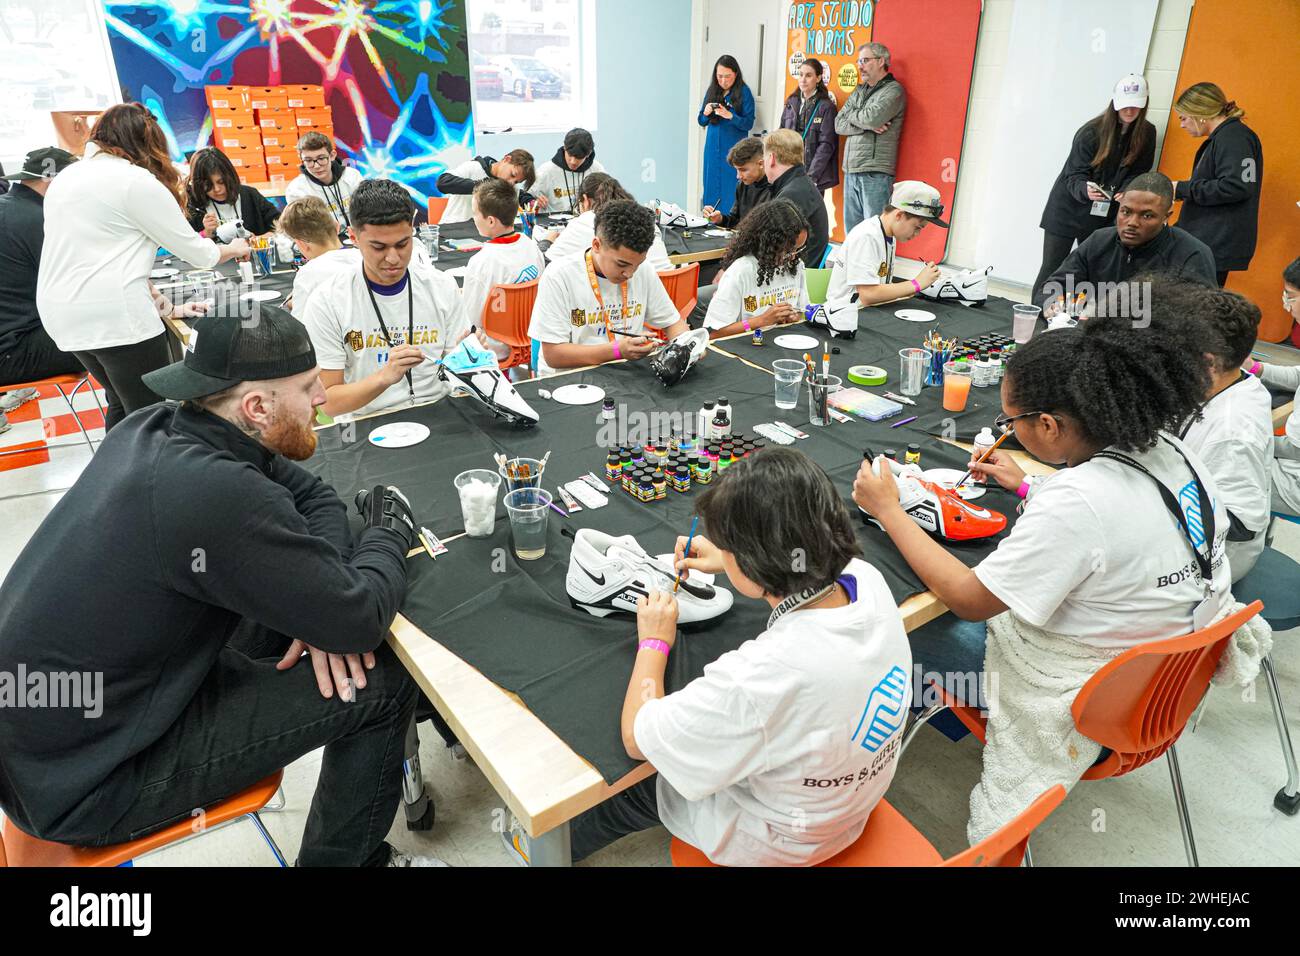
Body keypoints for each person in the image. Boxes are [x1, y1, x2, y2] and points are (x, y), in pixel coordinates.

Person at [0, 303, 443, 867]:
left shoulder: (156, 424)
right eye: (308, 388)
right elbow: (359, 617)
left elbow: (314, 495)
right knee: (383, 682)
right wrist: (389, 529)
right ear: (257, 406)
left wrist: (320, 600)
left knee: (327, 623)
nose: (323, 399)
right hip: (87, 782)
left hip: (64, 725)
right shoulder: (216, 492)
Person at [850, 303, 1258, 845]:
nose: (1006, 431)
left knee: (893, 621)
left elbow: (971, 600)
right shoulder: (1172, 448)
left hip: (1093, 696)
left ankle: (848, 772)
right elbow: (1120, 520)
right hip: (1166, 680)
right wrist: (1026, 486)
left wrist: (890, 511)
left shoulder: (1080, 501)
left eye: (1010, 422)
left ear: (1047, 425)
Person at [563, 447, 912, 865]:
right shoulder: (866, 580)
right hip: (848, 809)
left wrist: (654, 641)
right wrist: (732, 562)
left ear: (753, 562)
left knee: (623, 790)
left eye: (729, 549)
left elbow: (637, 737)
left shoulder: (760, 677)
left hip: (781, 843)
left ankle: (536, 851)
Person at [37, 103, 251, 431]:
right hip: (114, 317)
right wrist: (234, 248)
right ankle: (157, 479)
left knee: (124, 405)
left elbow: (106, 261)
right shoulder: (135, 181)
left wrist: (169, 307)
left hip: (63, 316)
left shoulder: (68, 177)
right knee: (154, 417)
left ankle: (118, 478)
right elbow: (199, 254)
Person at [302, 179, 467, 417]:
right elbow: (328, 402)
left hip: (438, 412)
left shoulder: (441, 286)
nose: (393, 258)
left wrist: (472, 361)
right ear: (353, 237)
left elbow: (457, 371)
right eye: (378, 247)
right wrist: (384, 378)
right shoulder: (328, 301)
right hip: (367, 420)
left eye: (403, 244)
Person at [1168, 278, 1272, 581]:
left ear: (1207, 362)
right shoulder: (1234, 381)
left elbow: (1241, 523)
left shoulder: (1232, 430)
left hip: (1213, 561)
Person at [528, 199, 687, 376]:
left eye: (637, 264)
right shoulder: (559, 275)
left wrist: (687, 345)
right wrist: (616, 351)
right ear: (596, 245)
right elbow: (554, 355)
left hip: (624, 373)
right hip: (569, 378)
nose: (630, 273)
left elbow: (673, 323)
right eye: (622, 264)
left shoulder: (644, 270)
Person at [1033, 74, 1158, 296]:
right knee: (1052, 267)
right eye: (1125, 106)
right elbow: (1074, 174)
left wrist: (1126, 191)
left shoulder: (1147, 133)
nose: (1129, 111)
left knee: (1093, 268)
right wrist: (1085, 189)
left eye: (1135, 106)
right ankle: (1037, 312)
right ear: (1115, 103)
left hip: (1101, 212)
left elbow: (1140, 171)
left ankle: (1076, 316)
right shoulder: (1091, 131)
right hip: (1067, 208)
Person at [1037, 172, 1216, 313]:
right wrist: (1052, 306)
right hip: (1095, 335)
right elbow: (1053, 287)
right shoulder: (1099, 240)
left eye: (1147, 215)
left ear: (1166, 217)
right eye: (1126, 212)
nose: (1132, 222)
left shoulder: (1192, 254)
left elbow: (1201, 319)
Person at [0, 147, 83, 434]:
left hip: (13, 341)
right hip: (14, 352)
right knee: (117, 335)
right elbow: (75, 281)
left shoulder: (9, 208)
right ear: (53, 181)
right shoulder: (39, 220)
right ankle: (145, 426)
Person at [1171, 83, 1263, 286]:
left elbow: (1237, 186)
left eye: (1184, 118)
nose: (1182, 125)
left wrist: (1182, 189)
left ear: (1199, 113)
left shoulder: (1234, 137)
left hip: (1214, 243)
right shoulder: (1227, 137)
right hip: (1208, 241)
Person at [824, 180, 945, 312]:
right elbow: (868, 294)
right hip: (845, 313)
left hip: (866, 310)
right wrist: (916, 284)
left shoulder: (888, 235)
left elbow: (880, 285)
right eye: (917, 227)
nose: (917, 234)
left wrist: (907, 289)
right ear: (899, 215)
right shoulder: (867, 236)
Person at [463, 177, 546, 364]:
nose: (473, 218)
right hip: (532, 338)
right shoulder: (532, 246)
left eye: (475, 213)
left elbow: (470, 319)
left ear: (491, 221)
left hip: (496, 349)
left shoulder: (481, 262)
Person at [702, 199, 809, 340]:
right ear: (769, 242)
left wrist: (795, 317)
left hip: (781, 342)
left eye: (798, 249)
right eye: (788, 250)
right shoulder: (741, 271)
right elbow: (713, 333)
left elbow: (803, 311)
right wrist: (761, 321)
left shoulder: (795, 265)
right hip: (745, 347)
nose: (793, 256)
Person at [835, 43, 906, 235]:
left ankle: (875, 267)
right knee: (854, 235)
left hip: (875, 173)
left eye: (865, 60)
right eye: (859, 61)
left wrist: (863, 119)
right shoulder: (859, 91)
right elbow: (838, 123)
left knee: (875, 234)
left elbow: (871, 118)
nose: (860, 66)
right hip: (851, 170)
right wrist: (866, 124)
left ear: (881, 61)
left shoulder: (894, 91)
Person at [543, 172, 671, 270]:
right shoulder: (644, 216)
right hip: (674, 291)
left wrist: (547, 241)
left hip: (643, 295)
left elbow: (546, 263)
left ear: (585, 200)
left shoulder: (587, 221)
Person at [1254, 256, 1300, 521]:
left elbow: (1295, 450)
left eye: (1291, 296)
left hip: (1293, 486)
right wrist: (1258, 369)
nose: (1287, 305)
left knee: (1203, 462)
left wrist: (1250, 441)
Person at [277, 196, 361, 316]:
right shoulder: (362, 257)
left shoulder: (308, 273)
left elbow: (300, 324)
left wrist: (293, 304)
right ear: (337, 227)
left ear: (301, 244)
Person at [697, 55, 755, 218]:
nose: (723, 80)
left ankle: (731, 222)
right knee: (710, 186)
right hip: (712, 150)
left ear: (735, 74)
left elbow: (748, 123)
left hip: (733, 150)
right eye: (719, 76)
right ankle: (709, 220)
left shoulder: (744, 92)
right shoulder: (712, 90)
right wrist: (706, 113)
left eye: (727, 76)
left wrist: (731, 116)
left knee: (731, 187)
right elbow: (701, 121)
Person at [763, 129, 829, 269]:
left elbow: (770, 249)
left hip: (797, 279)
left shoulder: (792, 194)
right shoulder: (801, 184)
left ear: (772, 158)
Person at [184, 146, 281, 239]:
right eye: (208, 185)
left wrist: (257, 240)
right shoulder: (193, 206)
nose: (217, 189)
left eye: (221, 182)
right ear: (198, 184)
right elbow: (185, 244)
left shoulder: (250, 196)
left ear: (230, 177)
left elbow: (281, 227)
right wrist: (206, 233)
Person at [779, 58, 839, 195]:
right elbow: (781, 135)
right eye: (801, 75)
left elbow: (826, 145)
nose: (803, 79)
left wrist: (811, 176)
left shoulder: (827, 107)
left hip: (812, 175)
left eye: (808, 75)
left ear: (818, 78)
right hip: (789, 171)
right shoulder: (791, 102)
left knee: (808, 215)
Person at [284, 132, 364, 229]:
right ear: (301, 159)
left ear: (332, 155)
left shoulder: (352, 176)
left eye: (321, 158)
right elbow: (304, 229)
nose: (316, 166)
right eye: (309, 161)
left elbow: (366, 213)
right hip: (323, 241)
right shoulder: (296, 190)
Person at [435, 150, 536, 225]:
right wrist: (483, 186)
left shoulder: (509, 185)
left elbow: (519, 194)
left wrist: (530, 201)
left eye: (517, 182)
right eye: (512, 175)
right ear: (506, 159)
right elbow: (443, 182)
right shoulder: (473, 168)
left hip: (482, 233)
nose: (511, 183)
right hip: (453, 227)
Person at [528, 128, 605, 214]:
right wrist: (533, 201)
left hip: (586, 222)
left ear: (588, 154)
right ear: (564, 147)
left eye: (578, 157)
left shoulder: (596, 169)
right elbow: (525, 196)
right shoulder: (546, 171)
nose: (573, 162)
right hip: (555, 223)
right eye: (570, 155)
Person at [702, 137, 770, 229]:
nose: (738, 176)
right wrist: (720, 219)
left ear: (761, 164)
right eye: (737, 170)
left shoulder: (776, 188)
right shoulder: (742, 185)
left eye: (743, 170)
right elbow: (736, 220)